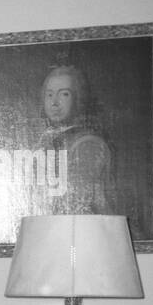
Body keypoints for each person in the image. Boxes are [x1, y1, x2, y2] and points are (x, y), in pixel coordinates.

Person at [35, 65, 116, 215]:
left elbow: (77, 204)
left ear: (78, 98)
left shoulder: (88, 144)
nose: (54, 102)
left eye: (64, 94)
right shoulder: (45, 139)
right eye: (49, 94)